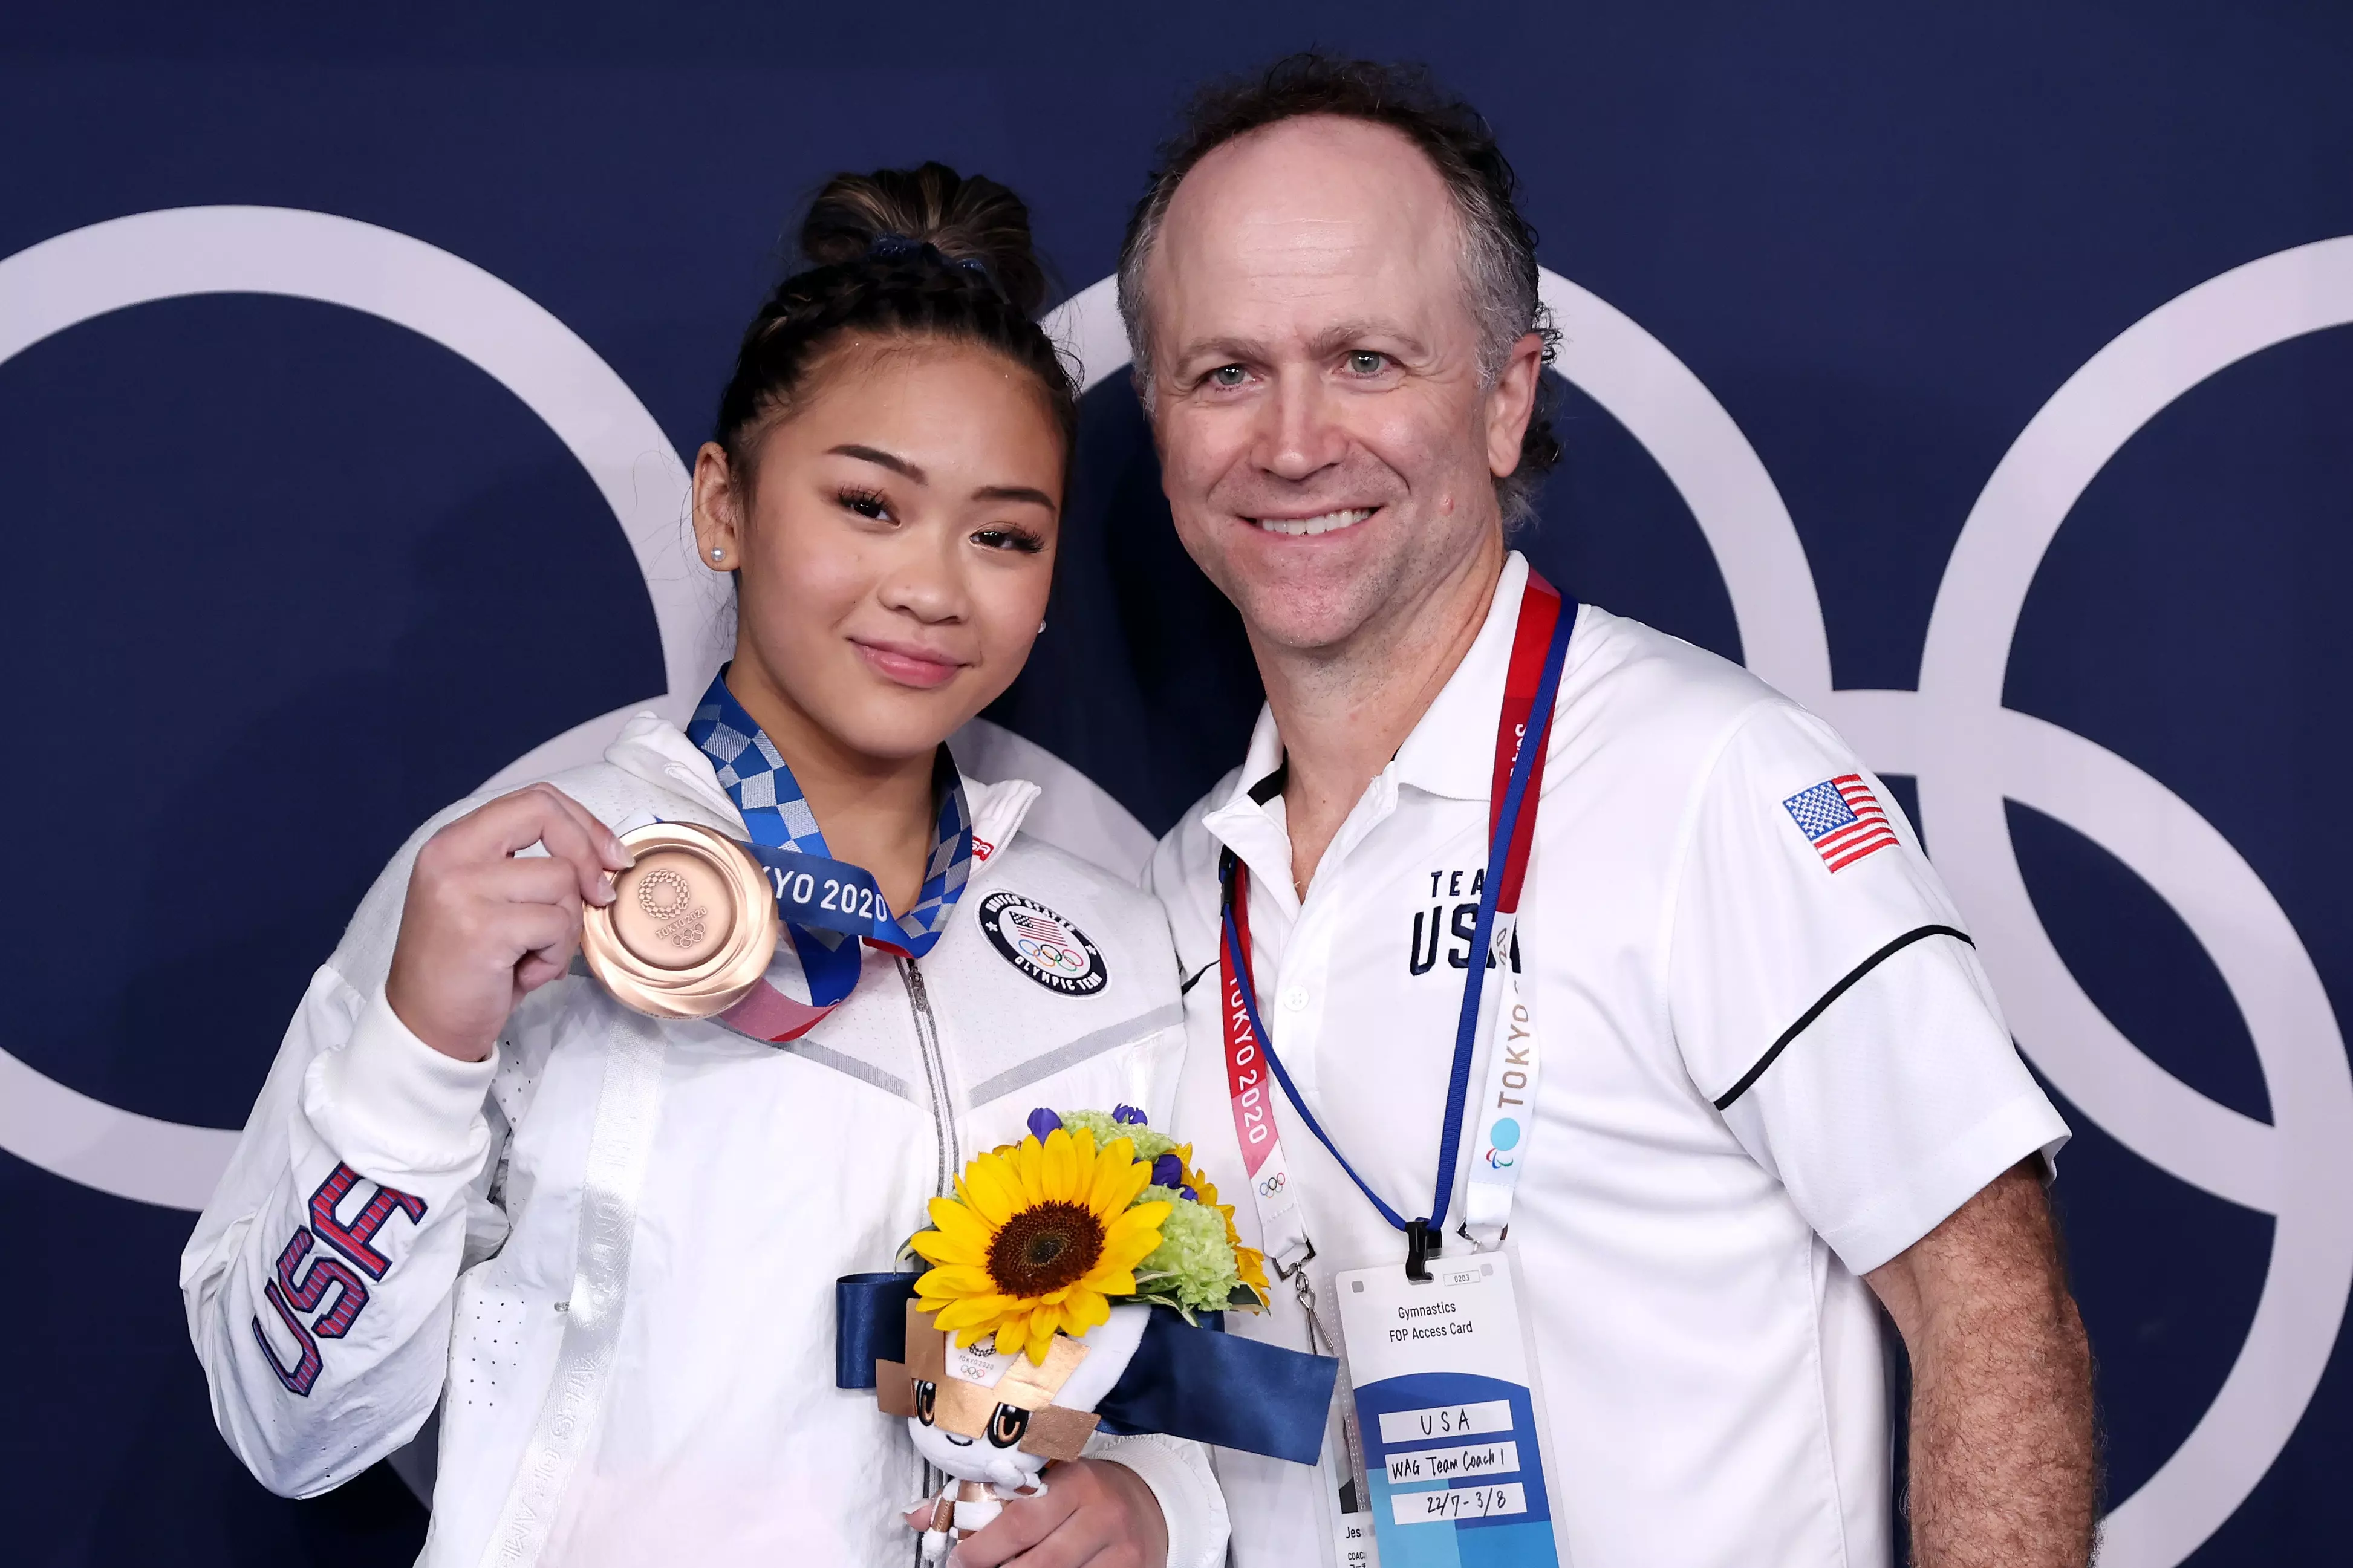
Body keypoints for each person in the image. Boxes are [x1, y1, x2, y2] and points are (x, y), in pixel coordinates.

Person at [1122, 56, 2098, 1568]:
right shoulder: (1187, 884)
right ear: (1160, 421)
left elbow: (1993, 1313)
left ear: (1507, 396)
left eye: (1368, 360)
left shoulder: (1720, 785)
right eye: (1225, 371)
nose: (1294, 439)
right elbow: (1244, 1401)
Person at [183, 164, 1222, 1568]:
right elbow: (286, 1422)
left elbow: (1178, 1382)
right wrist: (420, 1056)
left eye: (1002, 535)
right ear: (722, 508)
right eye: (868, 504)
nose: (931, 584)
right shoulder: (514, 891)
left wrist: (1161, 1505)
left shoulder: (1105, 948)